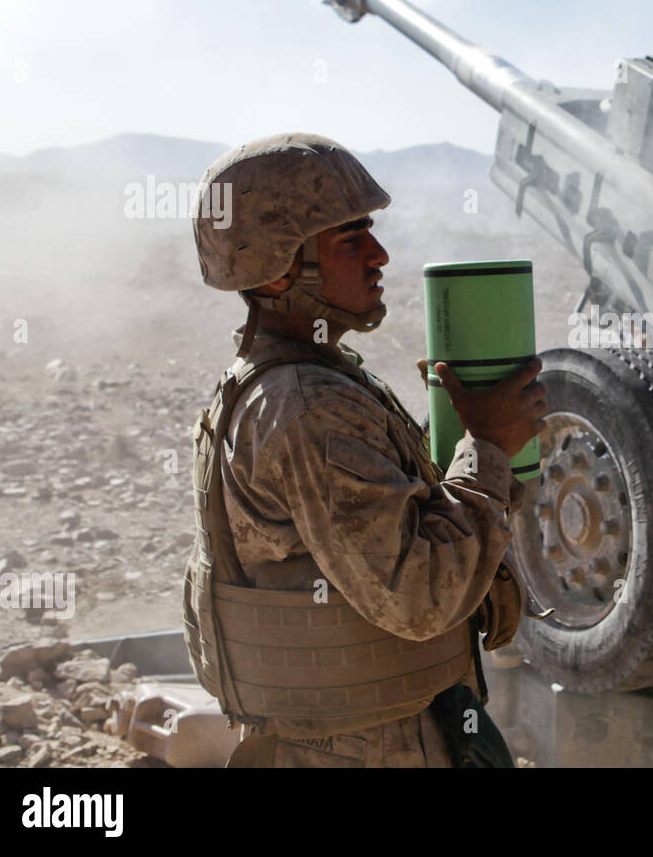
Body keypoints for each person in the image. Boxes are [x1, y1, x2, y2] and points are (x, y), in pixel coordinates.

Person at [184, 133, 546, 766]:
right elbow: (420, 594)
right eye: (350, 240)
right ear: (279, 268)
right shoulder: (308, 407)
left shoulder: (298, 383)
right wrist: (487, 446)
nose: (379, 255)